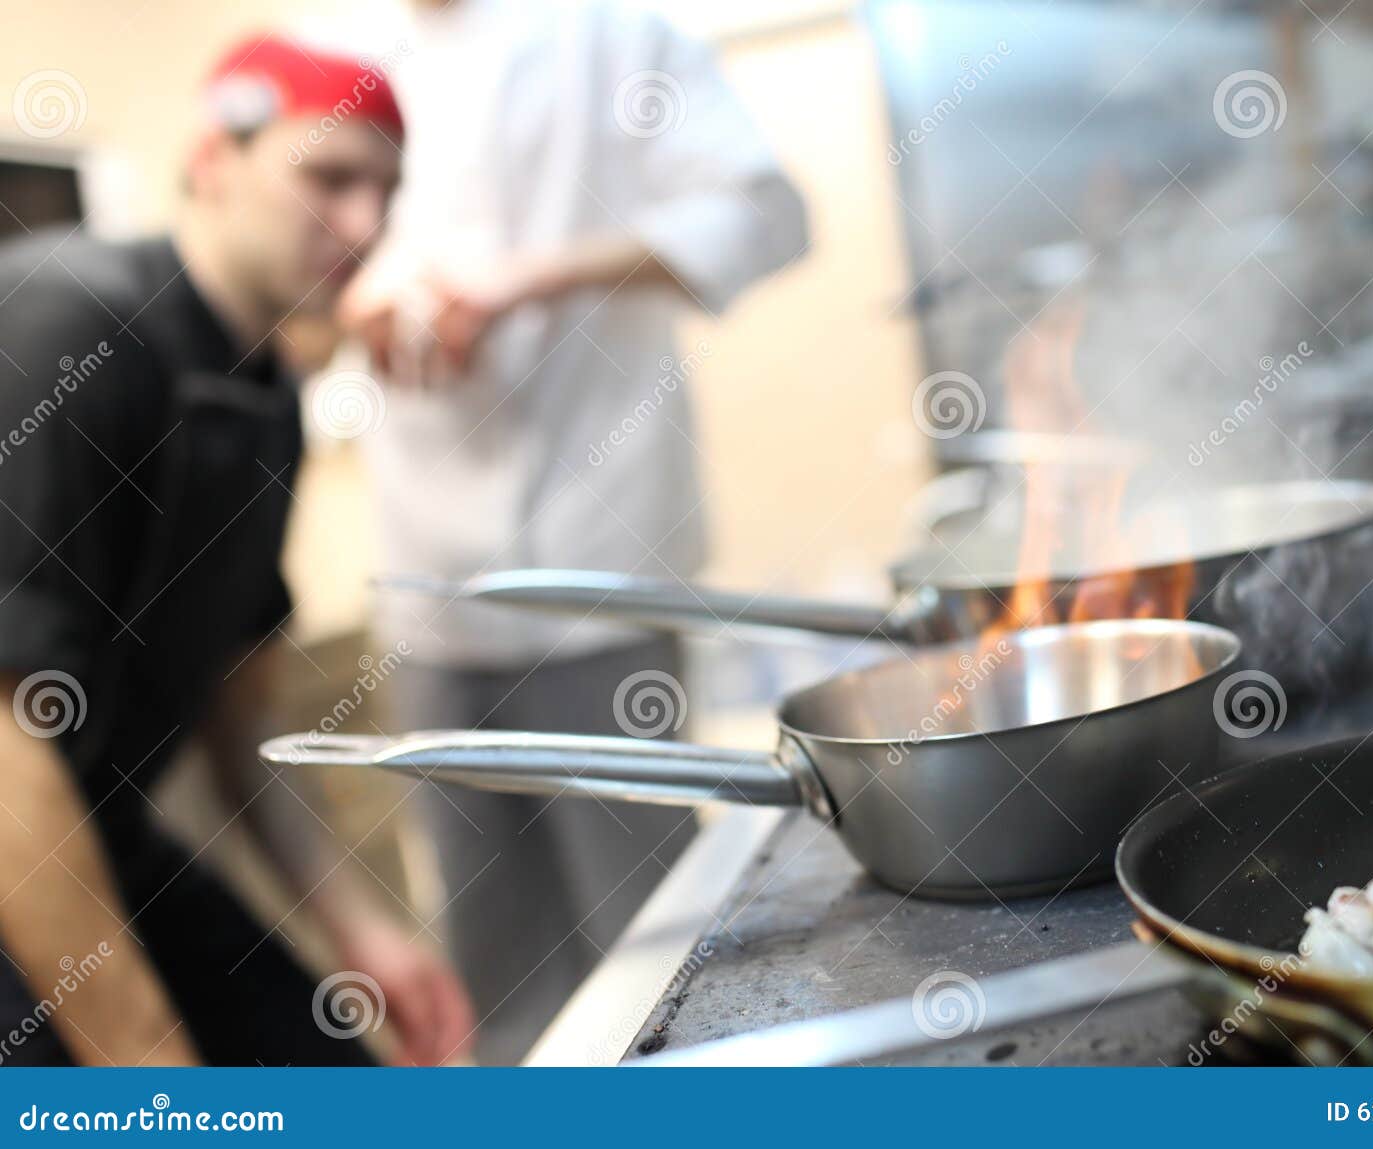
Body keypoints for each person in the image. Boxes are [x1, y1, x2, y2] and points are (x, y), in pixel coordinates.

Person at [337, 0, 809, 1063]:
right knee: (495, 952)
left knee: (654, 943)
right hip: (426, 583)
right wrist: (352, 298)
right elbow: (305, 256)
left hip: (595, 558)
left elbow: (761, 213)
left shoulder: (612, 33)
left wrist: (524, 277)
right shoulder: (347, 48)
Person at [0, 34, 473, 1066]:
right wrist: (148, 1072)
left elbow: (237, 701)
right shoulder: (69, 324)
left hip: (97, 826)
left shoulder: (268, 394)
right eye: (330, 176)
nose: (367, 224)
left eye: (387, 190)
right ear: (213, 160)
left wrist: (361, 926)